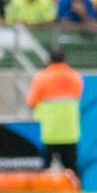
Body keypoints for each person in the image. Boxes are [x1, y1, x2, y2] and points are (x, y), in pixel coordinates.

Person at [27, 48, 84, 176]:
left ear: (49, 60)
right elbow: (77, 95)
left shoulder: (42, 77)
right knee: (71, 166)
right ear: (64, 60)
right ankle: (75, 190)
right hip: (70, 128)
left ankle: (42, 190)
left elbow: (31, 101)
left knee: (46, 166)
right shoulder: (74, 76)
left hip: (50, 129)